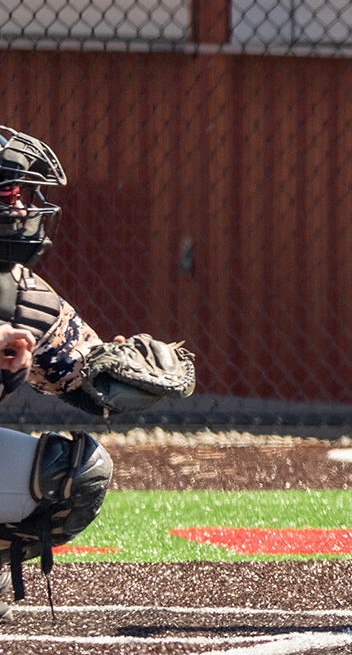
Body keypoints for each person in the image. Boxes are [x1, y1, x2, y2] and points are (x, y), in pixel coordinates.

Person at [0, 128, 186, 615]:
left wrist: (117, 375)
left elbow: (86, 378)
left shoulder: (21, 295)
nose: (22, 210)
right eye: (9, 195)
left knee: (73, 474)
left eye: (21, 195)